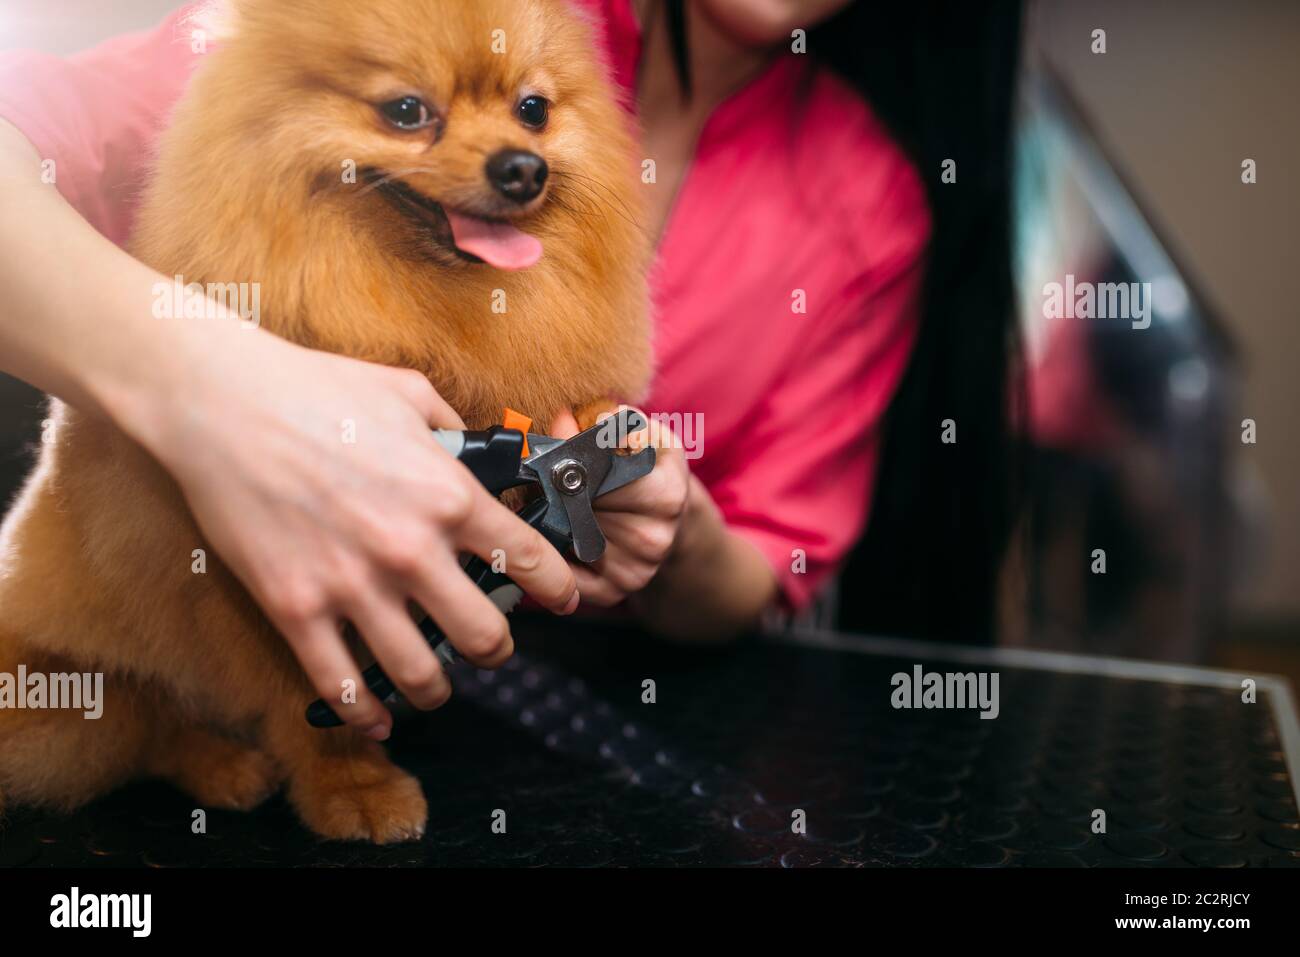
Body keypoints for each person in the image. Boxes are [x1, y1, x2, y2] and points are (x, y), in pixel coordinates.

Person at [0, 0, 1020, 740]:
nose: (512, 156)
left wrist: (672, 532)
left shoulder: (869, 200)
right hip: (178, 654)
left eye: (533, 117)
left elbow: (765, 566)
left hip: (544, 724)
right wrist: (204, 384)